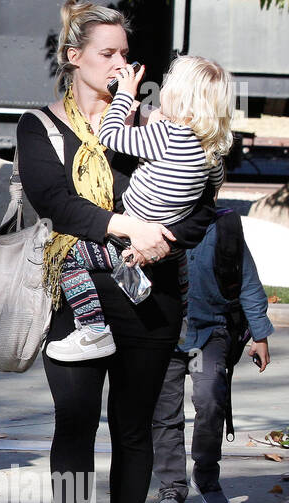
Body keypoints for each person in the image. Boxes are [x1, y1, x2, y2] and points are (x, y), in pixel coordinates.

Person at [16, 0, 217, 503]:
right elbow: (55, 201)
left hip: (151, 293)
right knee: (74, 421)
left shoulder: (153, 126)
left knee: (133, 425)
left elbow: (203, 205)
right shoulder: (41, 126)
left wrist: (168, 240)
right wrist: (129, 225)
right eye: (106, 53)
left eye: (124, 53)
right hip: (76, 291)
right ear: (73, 57)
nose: (119, 63)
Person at [46, 55, 235, 361]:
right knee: (180, 263)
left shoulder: (164, 136)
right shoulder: (210, 149)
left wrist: (124, 96)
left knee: (69, 258)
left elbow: (109, 135)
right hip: (169, 245)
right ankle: (185, 320)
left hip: (129, 235)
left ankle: (92, 330)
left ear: (177, 96)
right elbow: (214, 186)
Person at [152, 210, 273, 503]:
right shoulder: (154, 218)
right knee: (166, 411)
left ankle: (206, 476)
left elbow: (248, 282)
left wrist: (260, 335)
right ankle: (171, 488)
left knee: (209, 398)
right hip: (164, 334)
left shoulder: (224, 228)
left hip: (209, 333)